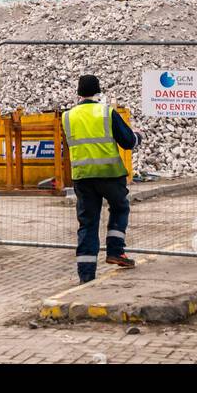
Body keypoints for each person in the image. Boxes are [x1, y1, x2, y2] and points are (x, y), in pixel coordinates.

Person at [62, 74, 141, 283]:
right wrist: (138, 137)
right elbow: (128, 142)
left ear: (78, 93)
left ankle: (86, 276)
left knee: (87, 223)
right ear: (98, 91)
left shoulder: (67, 116)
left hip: (82, 176)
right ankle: (115, 251)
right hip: (109, 174)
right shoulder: (106, 112)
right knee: (120, 207)